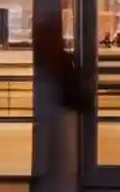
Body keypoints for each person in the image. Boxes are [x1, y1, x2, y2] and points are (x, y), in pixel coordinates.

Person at [32, 13, 88, 192]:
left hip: (59, 123)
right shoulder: (61, 64)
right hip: (64, 120)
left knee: (59, 165)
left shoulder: (49, 70)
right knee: (62, 166)